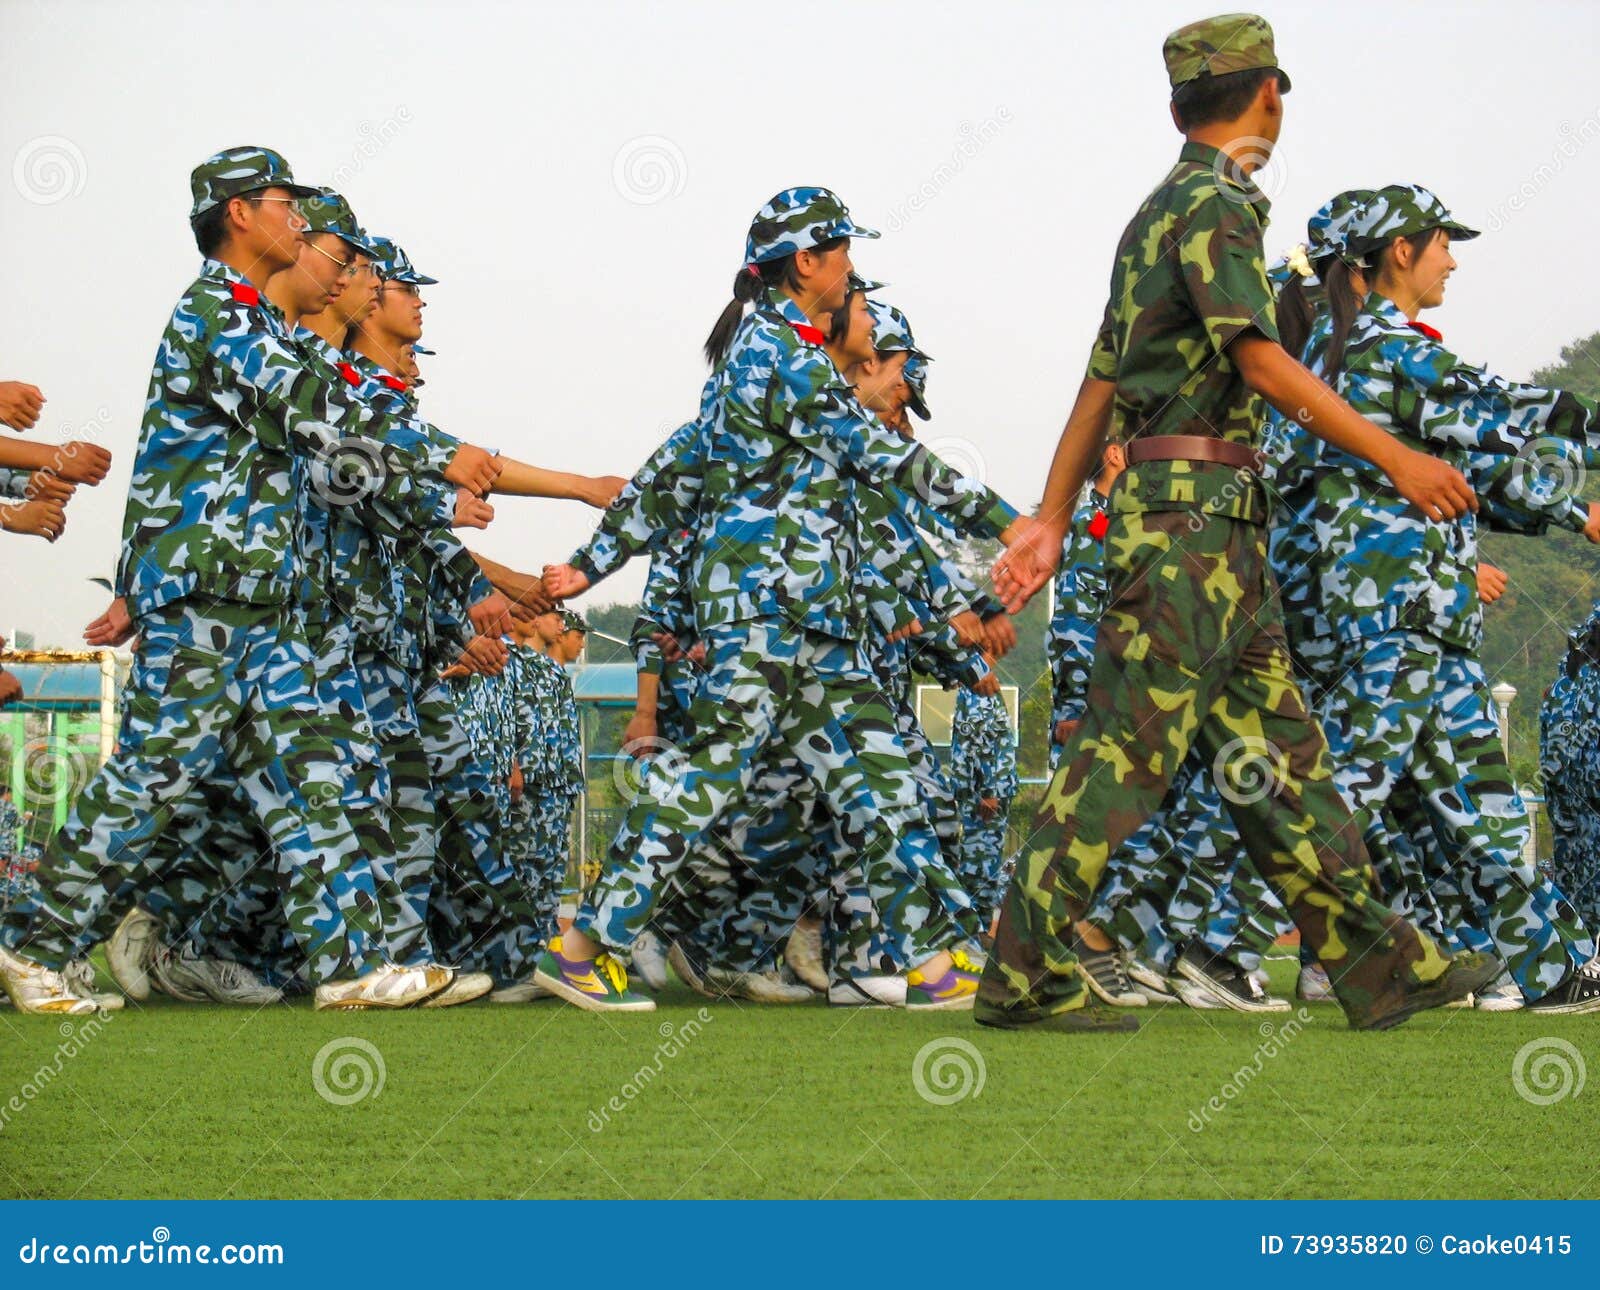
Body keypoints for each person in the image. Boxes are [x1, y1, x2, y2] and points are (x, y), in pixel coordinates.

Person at [982, 14, 1500, 1034]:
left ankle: (1378, 963)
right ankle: (1024, 971)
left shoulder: (1156, 214)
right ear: (1269, 95)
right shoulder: (1217, 209)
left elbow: (1101, 375)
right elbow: (1260, 361)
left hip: (1206, 531)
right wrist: (1397, 456)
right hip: (1189, 528)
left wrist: (1050, 516)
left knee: (1283, 764)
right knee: (1121, 758)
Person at [0, 146, 510, 1015]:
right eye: (287, 206)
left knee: (316, 778)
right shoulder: (217, 313)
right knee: (153, 778)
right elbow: (323, 414)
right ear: (239, 213)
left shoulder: (259, 320)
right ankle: (32, 946)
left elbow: (341, 401)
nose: (300, 223)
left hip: (262, 603)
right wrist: (440, 455)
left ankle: (352, 966)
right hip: (206, 597)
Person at [541, 187, 1033, 1012]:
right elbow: (872, 452)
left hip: (816, 622)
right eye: (844, 253)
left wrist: (593, 563)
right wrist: (1006, 520)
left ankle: (933, 961)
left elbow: (675, 469)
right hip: (766, 613)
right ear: (807, 262)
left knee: (883, 775)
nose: (852, 271)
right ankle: (584, 949)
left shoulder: (765, 351)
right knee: (705, 777)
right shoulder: (777, 353)